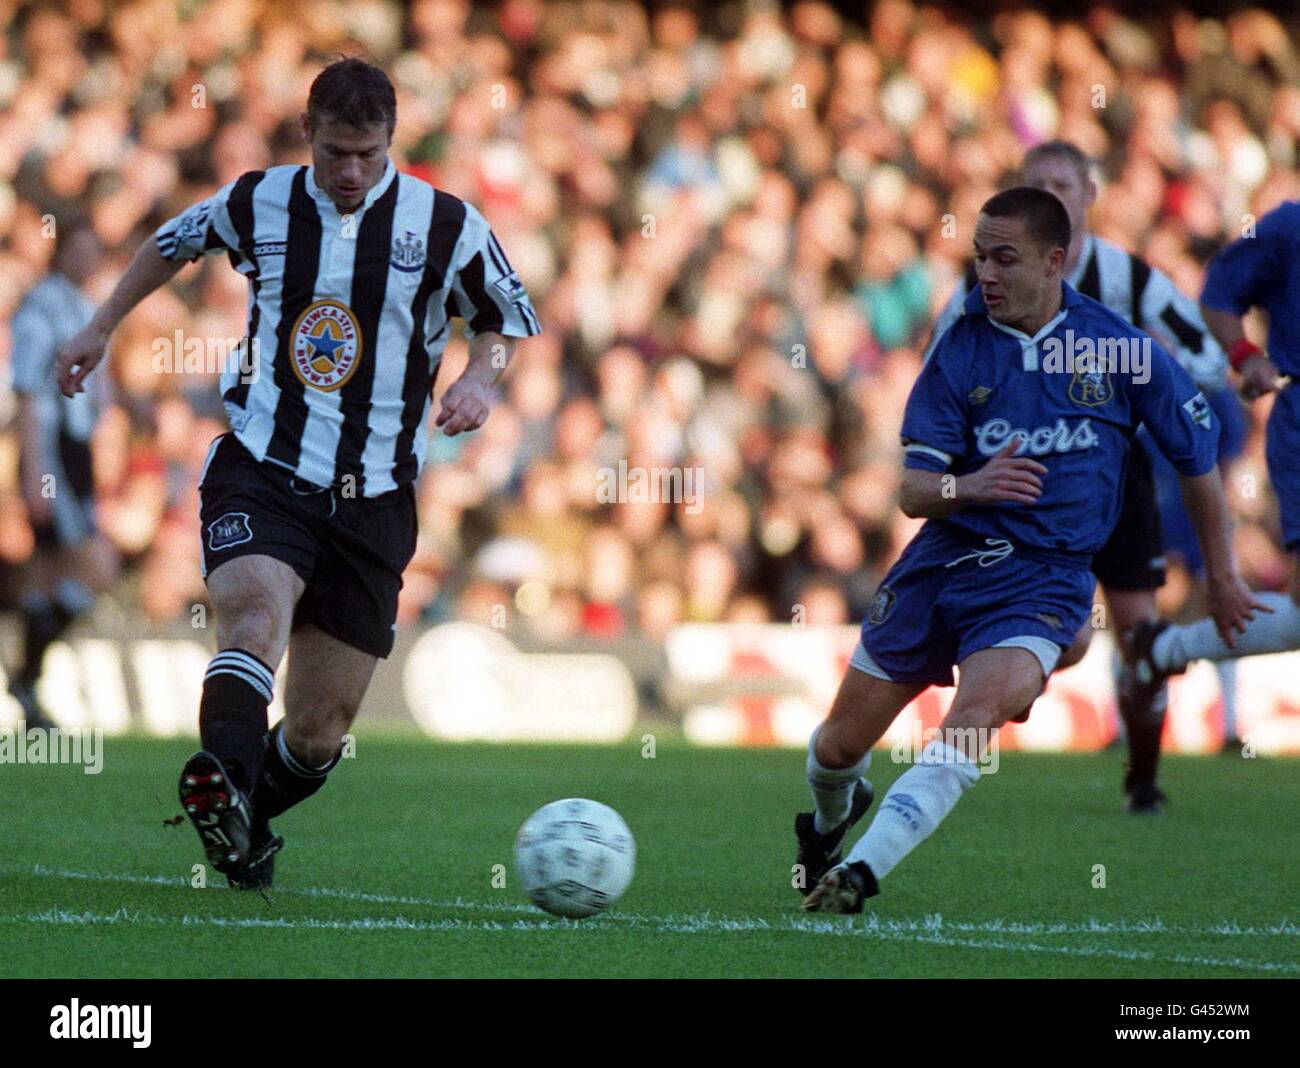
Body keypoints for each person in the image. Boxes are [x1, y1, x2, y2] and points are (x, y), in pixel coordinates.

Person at [55, 57, 540, 889]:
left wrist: (479, 378)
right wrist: (101, 326)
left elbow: (505, 319)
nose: (351, 172)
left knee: (320, 731)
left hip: (376, 498)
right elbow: (172, 243)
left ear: (394, 142)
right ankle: (229, 794)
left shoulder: (446, 224)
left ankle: (241, 825)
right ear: (307, 135)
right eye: (336, 153)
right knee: (250, 620)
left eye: (369, 155)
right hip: (264, 466)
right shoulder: (258, 200)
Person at [796, 187, 1258, 913]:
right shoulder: (964, 346)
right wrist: (971, 486)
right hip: (942, 563)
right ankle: (831, 817)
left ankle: (861, 871)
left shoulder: (1120, 347)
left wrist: (1224, 575)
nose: (986, 273)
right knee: (836, 748)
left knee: (975, 715)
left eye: (1003, 258)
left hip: (1041, 581)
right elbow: (914, 493)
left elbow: (1198, 463)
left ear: (1055, 260)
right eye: (979, 256)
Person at [924, 140, 1235, 812]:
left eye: (1062, 184)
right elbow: (938, 372)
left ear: (1088, 195)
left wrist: (1141, 399)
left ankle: (1143, 777)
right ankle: (1015, 685)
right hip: (1019, 479)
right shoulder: (985, 285)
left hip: (1113, 483)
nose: (1052, 195)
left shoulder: (1127, 281)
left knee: (1137, 630)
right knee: (1050, 627)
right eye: (1037, 185)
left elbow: (1206, 359)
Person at [1126, 199, 1300, 714]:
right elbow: (1220, 295)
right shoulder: (1288, 228)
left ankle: (1165, 648)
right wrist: (1245, 357)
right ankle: (1166, 649)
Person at [7, 216, 120, 728]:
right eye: (79, 249)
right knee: (94, 566)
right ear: (60, 253)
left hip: (78, 451)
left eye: (94, 251)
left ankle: (27, 686)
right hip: (53, 451)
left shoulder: (84, 306)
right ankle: (26, 678)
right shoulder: (42, 309)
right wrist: (35, 470)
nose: (88, 260)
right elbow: (29, 394)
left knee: (51, 578)